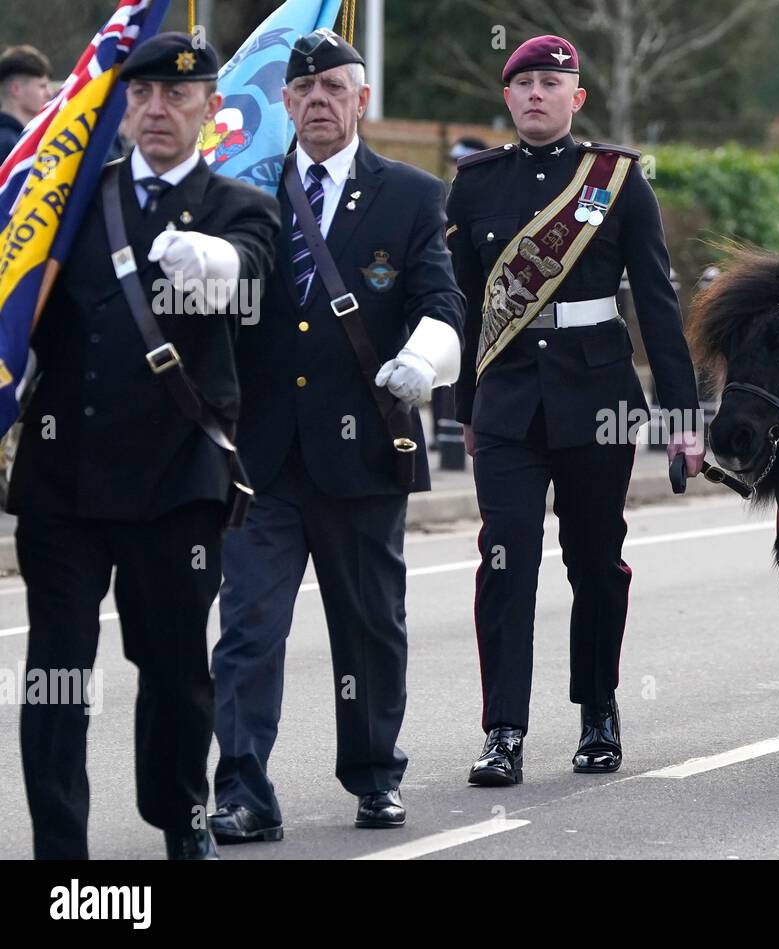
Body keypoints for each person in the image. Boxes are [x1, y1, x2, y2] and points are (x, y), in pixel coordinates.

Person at [7, 32, 280, 859]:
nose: (157, 110)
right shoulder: (73, 201)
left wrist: (219, 264)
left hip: (175, 479)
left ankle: (178, 815)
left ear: (209, 108)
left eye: (176, 96)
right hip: (65, 478)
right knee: (56, 674)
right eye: (142, 96)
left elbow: (257, 289)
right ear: (121, 107)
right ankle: (60, 846)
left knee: (172, 671)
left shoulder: (240, 205)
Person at [208, 29, 464, 843]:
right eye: (303, 90)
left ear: (361, 99)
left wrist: (425, 356)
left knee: (368, 625)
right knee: (249, 627)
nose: (317, 101)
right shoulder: (245, 196)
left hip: (362, 451)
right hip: (264, 460)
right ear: (284, 104)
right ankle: (244, 789)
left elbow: (442, 301)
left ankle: (374, 773)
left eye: (334, 88)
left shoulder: (412, 195)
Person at [445, 34, 703, 786]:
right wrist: (464, 408)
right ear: (507, 97)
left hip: (597, 398)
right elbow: (465, 310)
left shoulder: (617, 180)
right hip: (507, 402)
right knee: (505, 560)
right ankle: (503, 730)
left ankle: (598, 710)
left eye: (549, 84)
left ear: (576, 97)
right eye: (522, 83)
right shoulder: (474, 184)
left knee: (593, 562)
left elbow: (657, 303)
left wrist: (681, 414)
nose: (534, 94)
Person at [0, 44, 52, 162]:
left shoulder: (24, 139)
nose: (49, 93)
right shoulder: (6, 144)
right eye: (42, 86)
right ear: (15, 89)